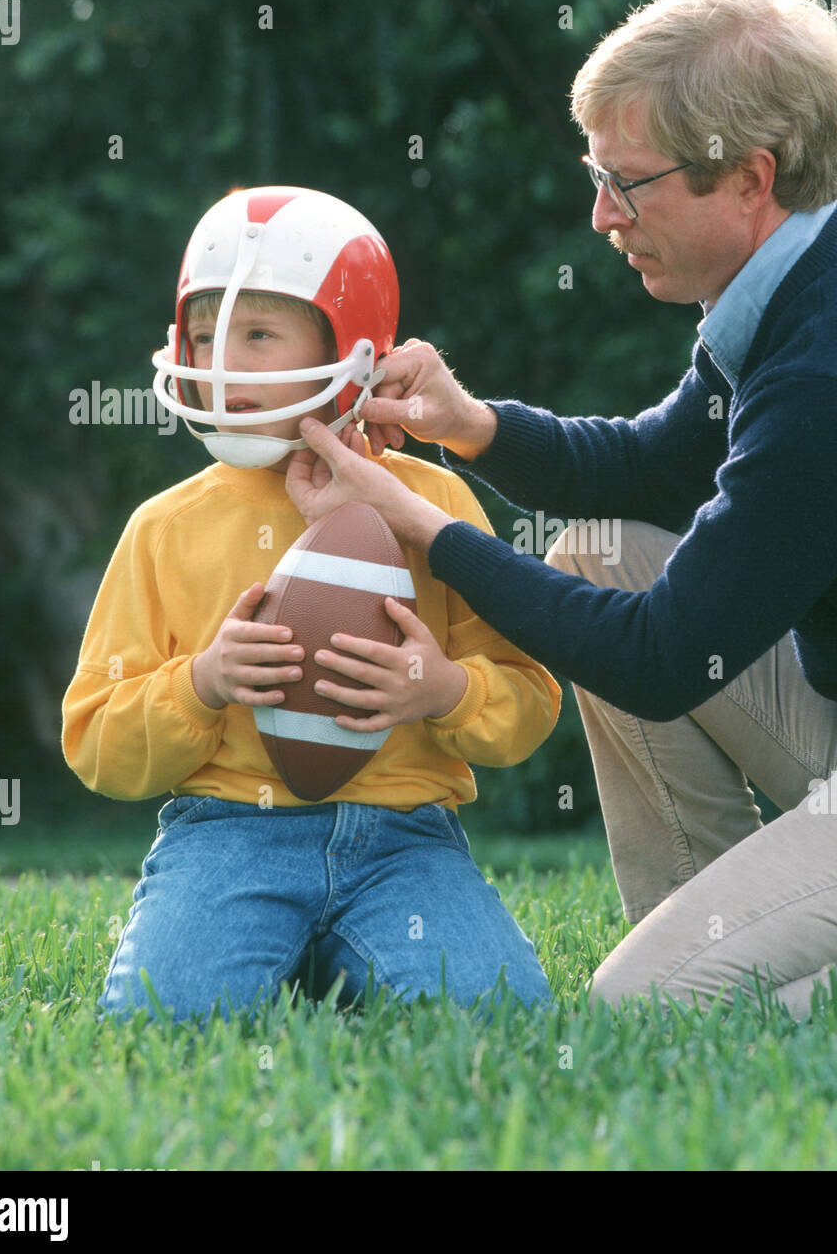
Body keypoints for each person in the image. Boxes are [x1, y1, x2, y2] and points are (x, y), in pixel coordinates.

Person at [286, 0, 837, 1019]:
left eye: (630, 182)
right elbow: (652, 468)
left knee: (647, 1003)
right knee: (601, 546)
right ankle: (703, 929)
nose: (601, 215)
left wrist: (420, 529)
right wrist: (468, 424)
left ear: (750, 178)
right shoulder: (800, 288)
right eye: (596, 175)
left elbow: (661, 657)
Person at [62, 186, 560, 1022]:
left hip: (404, 841)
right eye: (204, 334)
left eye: (257, 334)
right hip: (227, 835)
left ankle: (318, 955)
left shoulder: (432, 505)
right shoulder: (163, 528)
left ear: (352, 345)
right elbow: (96, 743)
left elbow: (531, 698)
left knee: (497, 1016)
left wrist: (445, 690)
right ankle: (283, 948)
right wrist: (203, 682)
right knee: (167, 1019)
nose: (222, 362)